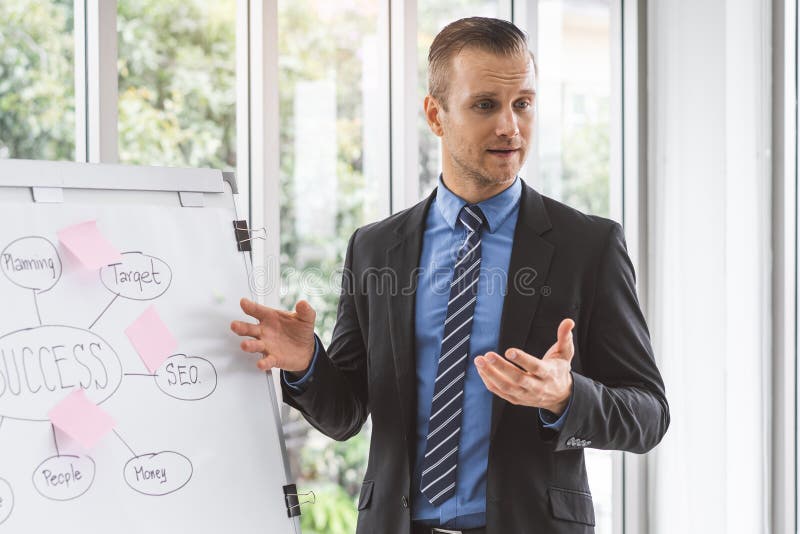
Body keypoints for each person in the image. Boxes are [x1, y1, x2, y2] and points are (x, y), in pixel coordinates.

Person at [231, 16, 669, 534]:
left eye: (522, 103)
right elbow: (347, 414)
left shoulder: (588, 246)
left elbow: (648, 416)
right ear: (435, 116)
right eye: (486, 105)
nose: (510, 126)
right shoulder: (375, 248)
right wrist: (306, 363)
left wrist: (565, 395)